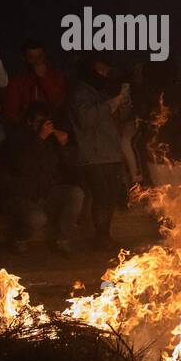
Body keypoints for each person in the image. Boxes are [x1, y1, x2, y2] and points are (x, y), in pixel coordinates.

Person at [3, 101, 83, 253]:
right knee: (38, 219)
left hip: (46, 193)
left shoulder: (51, 139)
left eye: (46, 121)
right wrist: (39, 139)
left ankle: (63, 240)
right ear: (29, 121)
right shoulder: (16, 138)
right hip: (22, 196)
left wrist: (65, 144)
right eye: (39, 121)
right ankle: (19, 238)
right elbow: (24, 166)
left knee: (76, 193)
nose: (44, 125)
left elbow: (73, 163)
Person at [69, 54, 129, 249]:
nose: (104, 74)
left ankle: (105, 236)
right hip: (93, 156)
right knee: (102, 196)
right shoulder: (80, 92)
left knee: (110, 197)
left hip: (110, 153)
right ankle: (101, 238)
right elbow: (85, 119)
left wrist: (121, 103)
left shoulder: (101, 91)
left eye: (106, 71)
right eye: (100, 70)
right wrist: (112, 103)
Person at [4, 40, 68, 125]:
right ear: (25, 59)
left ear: (44, 56)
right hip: (27, 127)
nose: (37, 61)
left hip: (52, 124)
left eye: (40, 56)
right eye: (31, 57)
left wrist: (43, 78)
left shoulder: (56, 76)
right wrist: (27, 123)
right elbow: (11, 111)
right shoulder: (18, 80)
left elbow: (59, 103)